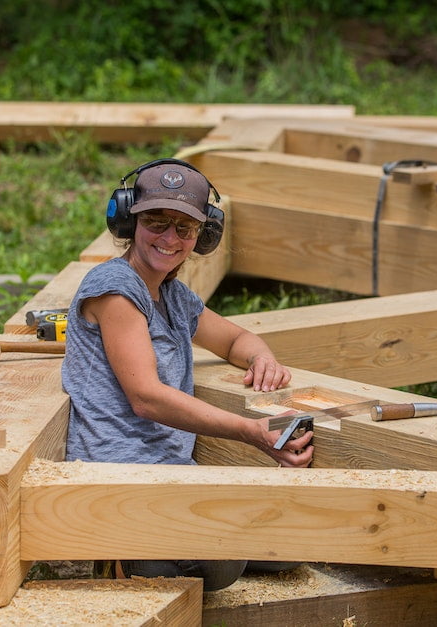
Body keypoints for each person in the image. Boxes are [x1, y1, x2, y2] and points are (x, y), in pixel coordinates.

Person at [61, 158, 312, 590]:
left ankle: (174, 546)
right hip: (119, 476)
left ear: (203, 235)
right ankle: (124, 554)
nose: (169, 238)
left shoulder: (175, 297)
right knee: (223, 564)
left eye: (185, 228)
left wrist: (262, 357)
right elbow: (147, 397)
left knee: (293, 544)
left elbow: (235, 341)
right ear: (128, 221)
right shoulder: (116, 289)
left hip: (173, 470)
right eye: (156, 223)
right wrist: (252, 432)